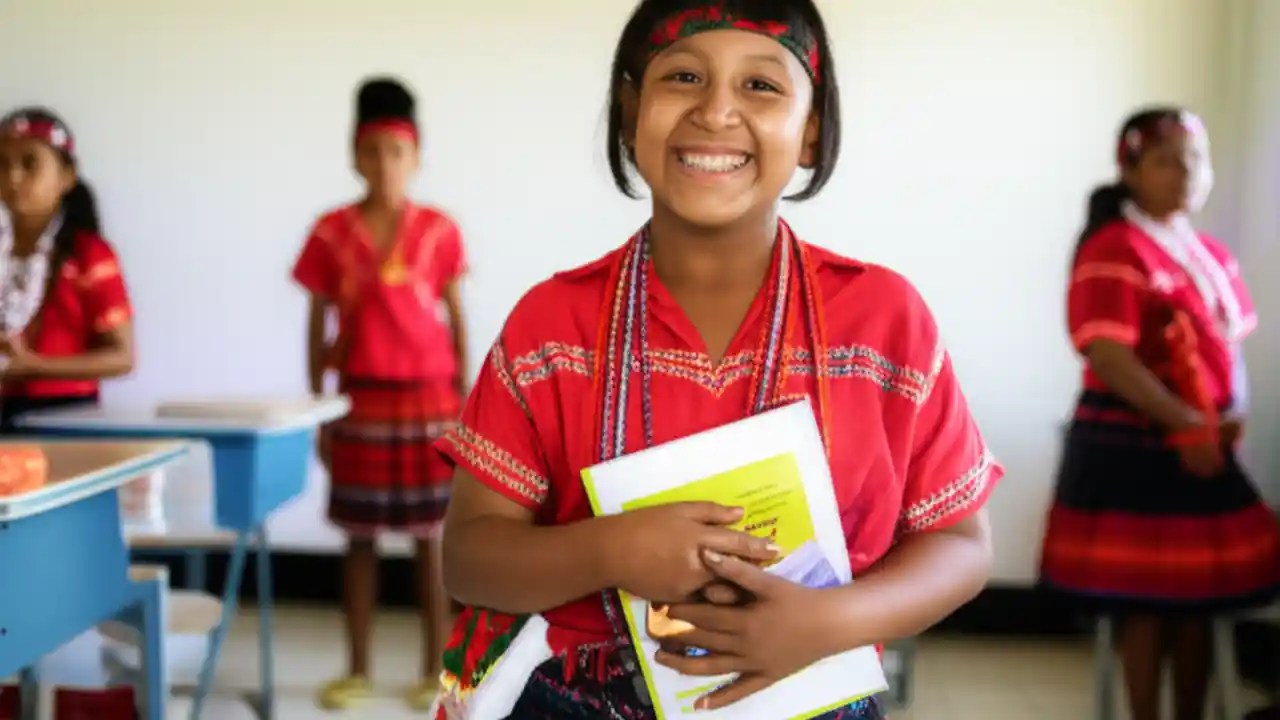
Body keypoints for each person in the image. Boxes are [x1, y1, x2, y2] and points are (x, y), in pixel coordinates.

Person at [431, 1, 1002, 717]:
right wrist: (608, 550)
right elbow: (470, 559)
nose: (716, 111)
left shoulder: (885, 323)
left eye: (761, 86)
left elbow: (960, 543)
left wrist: (825, 623)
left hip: (812, 691)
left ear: (813, 129)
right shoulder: (552, 328)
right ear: (631, 110)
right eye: (683, 77)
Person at [1039, 108, 1280, 720]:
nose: (1186, 173)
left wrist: (1233, 413)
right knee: (1144, 599)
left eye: (1196, 159)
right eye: (1168, 159)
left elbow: (1230, 346)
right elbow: (1109, 353)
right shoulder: (1114, 245)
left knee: (1198, 597)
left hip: (1200, 444)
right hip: (1135, 447)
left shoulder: (1210, 254)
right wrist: (1184, 421)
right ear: (1132, 169)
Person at [291, 77, 470, 711]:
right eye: (373, 151)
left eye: (398, 151)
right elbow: (317, 323)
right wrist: (318, 409)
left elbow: (454, 314)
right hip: (359, 402)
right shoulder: (330, 232)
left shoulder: (440, 231)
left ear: (415, 156)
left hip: (429, 403)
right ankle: (358, 668)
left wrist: (465, 397)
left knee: (431, 540)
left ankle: (435, 670)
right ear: (355, 154)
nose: (385, 163)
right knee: (358, 539)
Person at [0, 107, 134, 433]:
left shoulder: (88, 255)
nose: (13, 178)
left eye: (30, 164)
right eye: (2, 165)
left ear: (67, 176)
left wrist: (34, 366)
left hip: (66, 420)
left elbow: (122, 357)